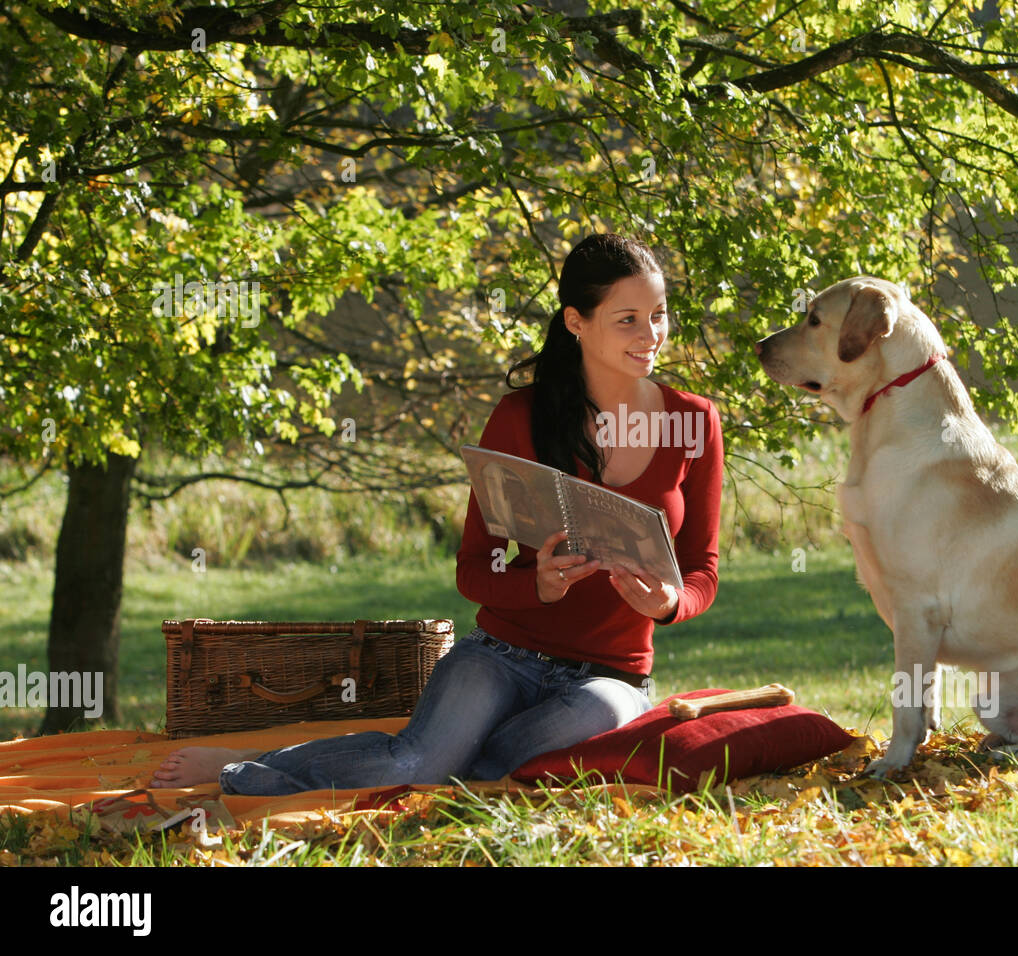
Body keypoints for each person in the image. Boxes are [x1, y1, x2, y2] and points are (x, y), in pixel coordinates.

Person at [150, 233, 723, 793]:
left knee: (474, 765)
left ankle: (446, 753)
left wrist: (672, 604)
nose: (651, 335)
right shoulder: (519, 417)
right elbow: (472, 570)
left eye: (659, 315)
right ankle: (249, 765)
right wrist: (538, 587)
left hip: (611, 677)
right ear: (576, 321)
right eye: (628, 319)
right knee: (419, 766)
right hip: (504, 654)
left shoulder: (694, 423)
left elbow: (703, 569)